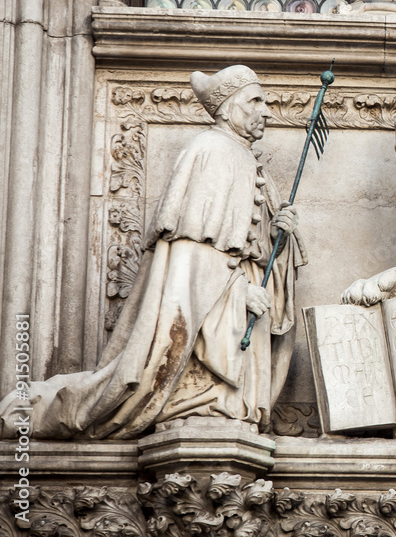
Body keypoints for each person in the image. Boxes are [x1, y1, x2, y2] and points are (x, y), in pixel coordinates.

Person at [0, 65, 305, 439]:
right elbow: (191, 255)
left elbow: (250, 250)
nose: (266, 111)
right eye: (255, 101)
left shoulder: (246, 160)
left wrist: (278, 237)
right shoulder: (211, 151)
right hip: (218, 305)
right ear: (228, 108)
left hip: (239, 309)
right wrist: (239, 292)